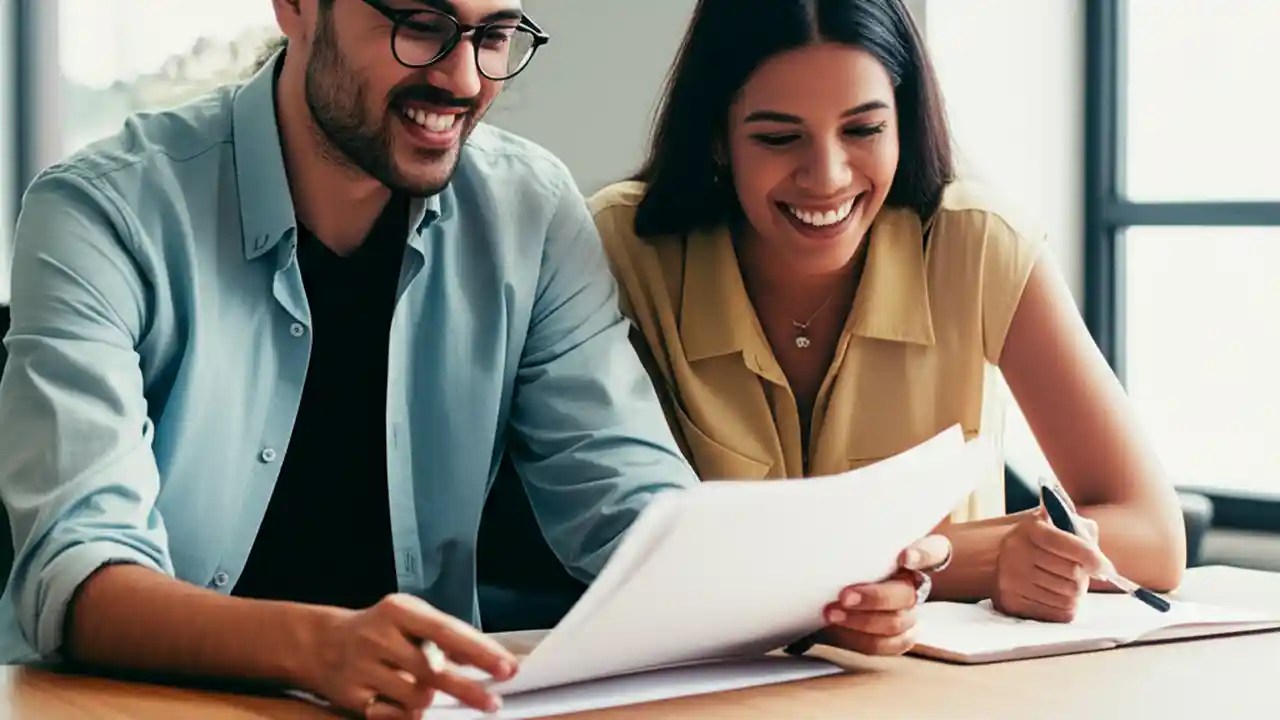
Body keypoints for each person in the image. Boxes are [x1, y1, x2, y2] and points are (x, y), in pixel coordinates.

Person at [0, 1, 949, 717]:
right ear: (295, 6)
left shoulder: (527, 212)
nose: (460, 79)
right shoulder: (99, 214)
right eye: (420, 26)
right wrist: (315, 647)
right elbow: (75, 577)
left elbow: (628, 504)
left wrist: (809, 599)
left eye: (493, 35)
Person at [590, 0, 1187, 641]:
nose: (828, 176)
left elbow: (1153, 534)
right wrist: (976, 557)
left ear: (902, 120)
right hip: (706, 686)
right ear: (716, 135)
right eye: (777, 137)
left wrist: (944, 565)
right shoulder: (620, 249)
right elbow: (611, 538)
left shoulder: (977, 243)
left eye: (864, 130)